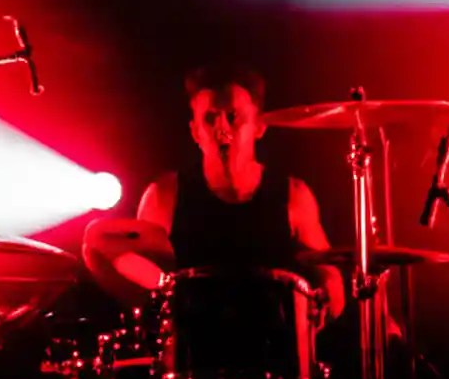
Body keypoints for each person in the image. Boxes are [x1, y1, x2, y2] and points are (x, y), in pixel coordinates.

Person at [132, 63, 345, 316]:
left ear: (259, 126)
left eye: (233, 116)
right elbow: (140, 285)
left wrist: (327, 294)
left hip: (272, 338)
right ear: (195, 132)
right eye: (210, 118)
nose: (222, 129)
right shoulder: (163, 197)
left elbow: (329, 276)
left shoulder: (293, 196)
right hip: (195, 339)